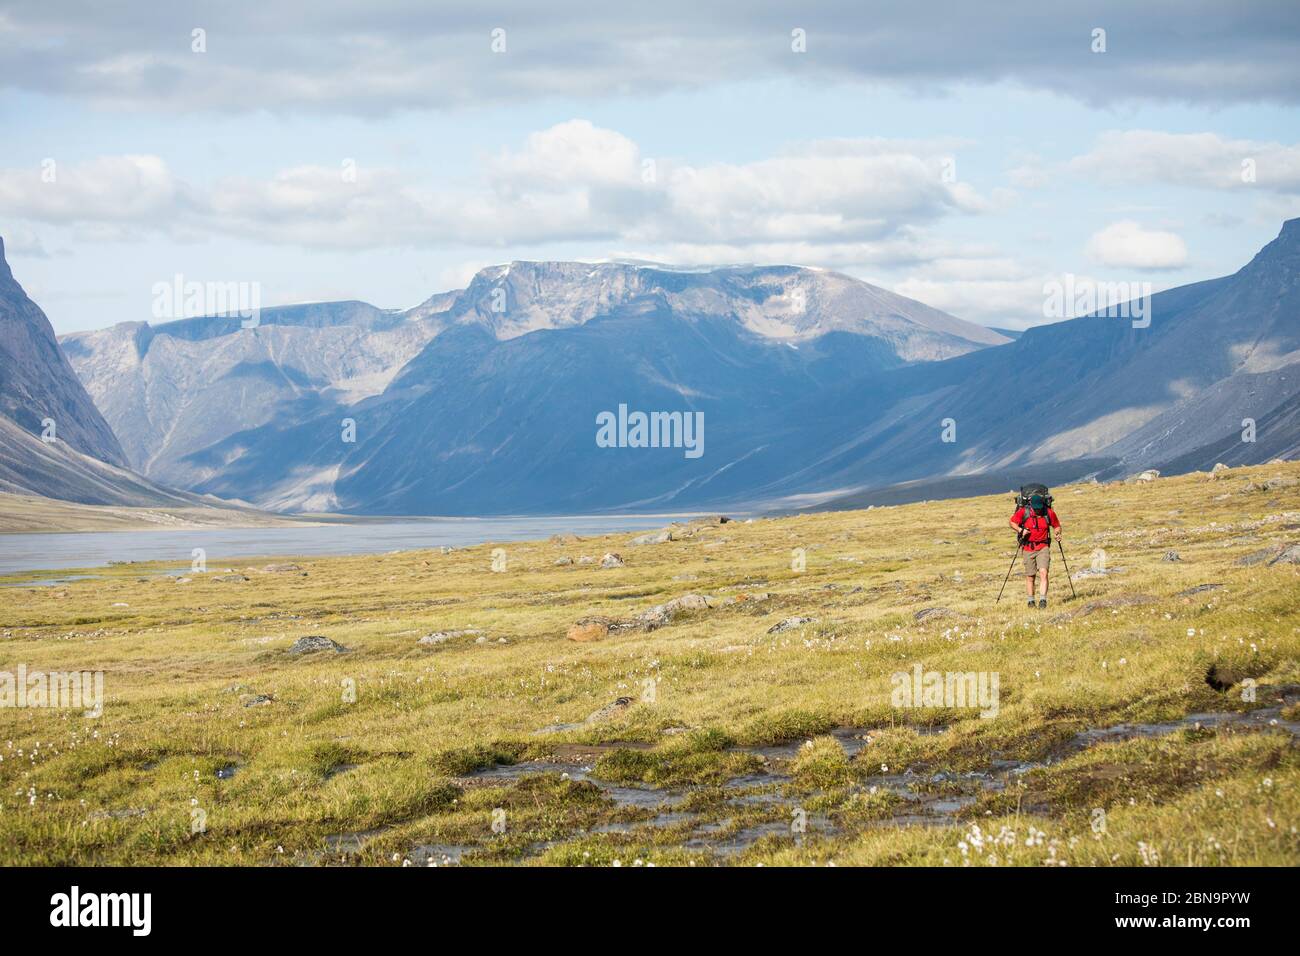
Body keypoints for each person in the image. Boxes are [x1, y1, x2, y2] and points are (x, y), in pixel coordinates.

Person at [1009, 492, 1061, 608]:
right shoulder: (1024, 512)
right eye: (1036, 509)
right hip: (1028, 547)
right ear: (1031, 506)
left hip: (1043, 546)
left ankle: (1043, 601)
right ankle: (1031, 601)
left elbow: (1057, 525)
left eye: (1039, 509)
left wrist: (1057, 533)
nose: (1038, 511)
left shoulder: (1048, 513)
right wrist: (1021, 530)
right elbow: (1012, 522)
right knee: (1030, 576)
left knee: (1044, 572)